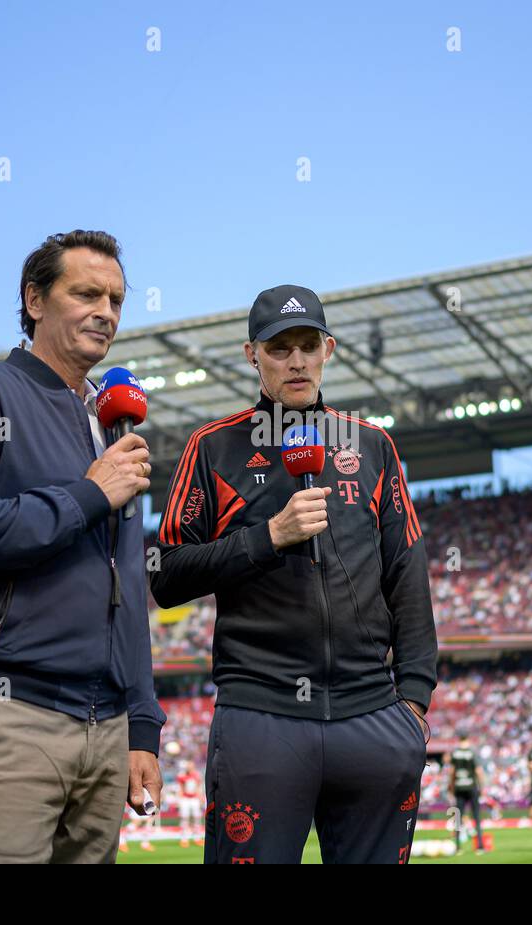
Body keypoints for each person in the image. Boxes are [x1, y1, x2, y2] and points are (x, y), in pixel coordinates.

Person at [151, 284, 438, 864]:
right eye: (280, 348)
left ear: (328, 349)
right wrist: (267, 538)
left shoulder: (373, 445)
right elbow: (165, 573)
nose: (297, 361)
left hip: (373, 716)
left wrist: (413, 698)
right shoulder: (212, 447)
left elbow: (407, 571)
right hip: (262, 715)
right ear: (251, 354)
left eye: (309, 345)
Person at [0, 230, 165, 863]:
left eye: (116, 299)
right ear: (35, 300)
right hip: (4, 717)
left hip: (105, 733)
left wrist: (142, 725)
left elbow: (127, 587)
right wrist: (84, 496)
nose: (105, 311)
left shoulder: (112, 428)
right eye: (85, 293)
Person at [448, 735, 486, 854]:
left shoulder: (455, 753)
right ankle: (480, 846)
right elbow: (478, 771)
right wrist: (482, 787)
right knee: (476, 816)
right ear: (468, 739)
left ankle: (458, 847)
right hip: (471, 787)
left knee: (458, 818)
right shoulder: (472, 752)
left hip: (459, 787)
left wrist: (451, 788)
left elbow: (452, 772)